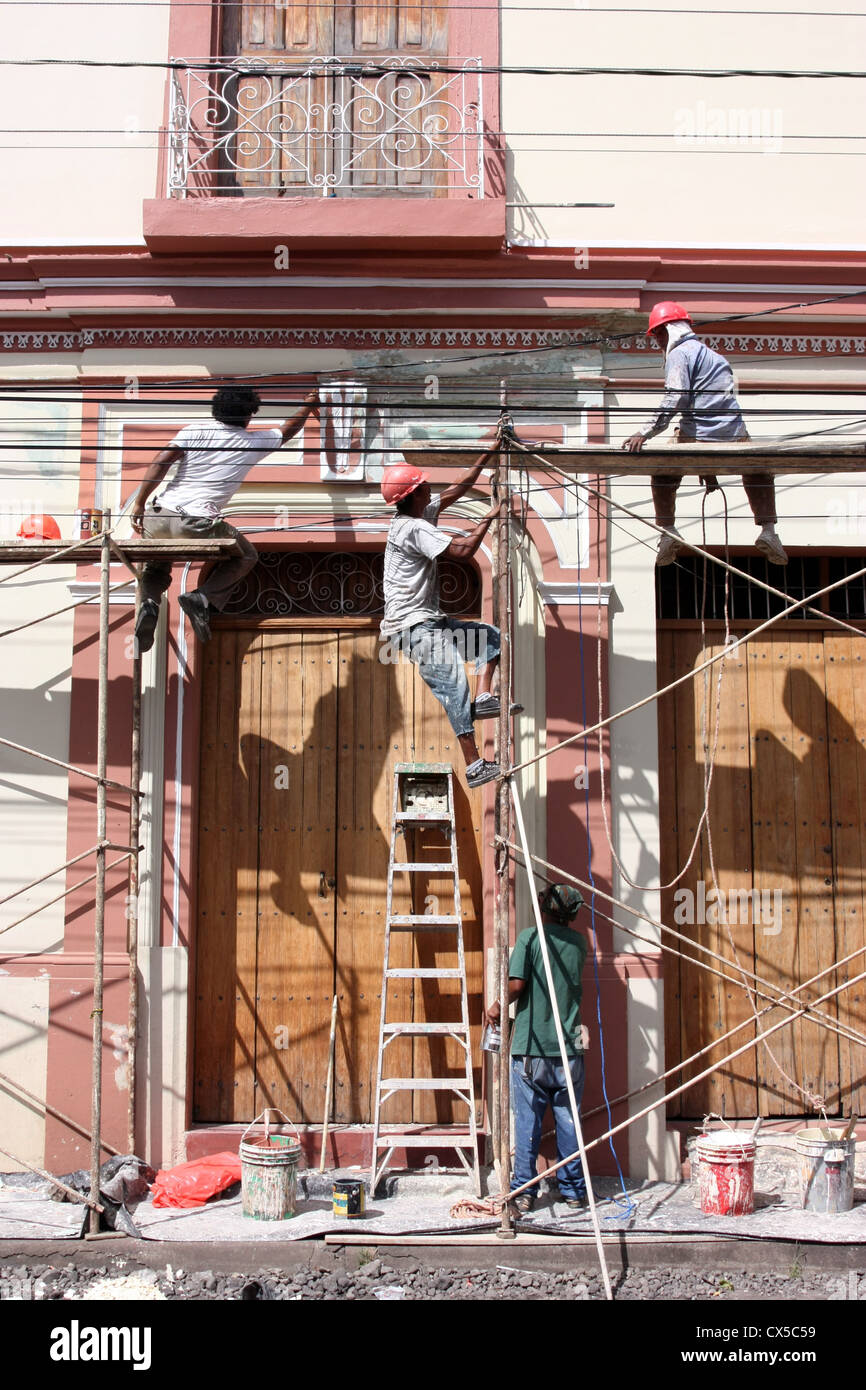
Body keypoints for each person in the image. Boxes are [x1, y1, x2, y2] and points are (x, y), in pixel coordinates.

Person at [130, 384, 319, 651]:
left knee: (156, 567)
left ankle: (149, 603)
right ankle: (202, 598)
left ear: (217, 409)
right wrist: (309, 403)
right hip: (197, 523)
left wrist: (139, 502)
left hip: (158, 517)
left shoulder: (194, 431)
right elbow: (288, 430)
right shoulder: (252, 442)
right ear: (249, 415)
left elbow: (161, 460)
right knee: (247, 555)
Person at [622, 301, 787, 567]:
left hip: (699, 437)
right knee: (759, 469)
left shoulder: (680, 354)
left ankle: (667, 533)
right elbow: (717, 408)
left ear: (669, 330)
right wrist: (709, 471)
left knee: (663, 469)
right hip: (735, 434)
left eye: (658, 336)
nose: (658, 343)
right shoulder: (716, 358)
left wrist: (644, 432)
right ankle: (769, 531)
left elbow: (675, 398)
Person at [379, 440, 502, 790]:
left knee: (490, 640)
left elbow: (457, 489)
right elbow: (463, 551)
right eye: (424, 485)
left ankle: (482, 698)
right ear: (413, 493)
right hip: (413, 626)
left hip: (429, 620)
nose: (430, 488)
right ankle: (475, 765)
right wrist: (487, 520)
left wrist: (488, 453)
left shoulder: (419, 514)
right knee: (453, 686)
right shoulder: (411, 528)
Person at [485, 883, 589, 1213]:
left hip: (532, 1049)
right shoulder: (579, 943)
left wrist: (497, 1007)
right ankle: (573, 1190)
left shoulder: (530, 938)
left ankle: (525, 1191)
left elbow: (518, 984)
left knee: (528, 1124)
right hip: (569, 1050)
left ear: (544, 907)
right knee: (569, 1120)